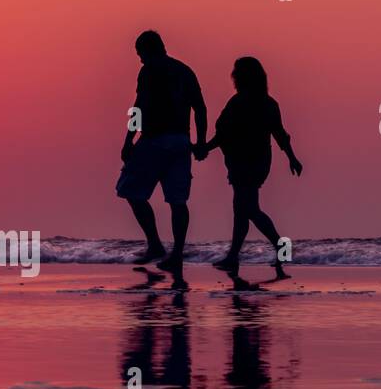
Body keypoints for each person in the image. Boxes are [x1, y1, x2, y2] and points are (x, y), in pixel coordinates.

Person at [199, 57, 303, 276]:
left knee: (248, 209)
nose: (233, 76)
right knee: (242, 209)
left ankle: (280, 246)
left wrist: (205, 148)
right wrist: (292, 158)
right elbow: (280, 135)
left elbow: (223, 134)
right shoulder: (268, 103)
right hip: (259, 160)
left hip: (244, 161)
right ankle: (233, 256)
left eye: (236, 72)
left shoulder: (238, 102)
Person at [115, 30, 207, 273]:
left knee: (130, 190)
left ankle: (155, 244)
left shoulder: (149, 71)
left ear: (148, 50)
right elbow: (200, 108)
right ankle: (175, 254)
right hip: (181, 142)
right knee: (178, 201)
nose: (140, 60)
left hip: (155, 140)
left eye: (141, 54)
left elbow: (139, 108)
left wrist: (128, 140)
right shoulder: (185, 71)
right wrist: (200, 141)